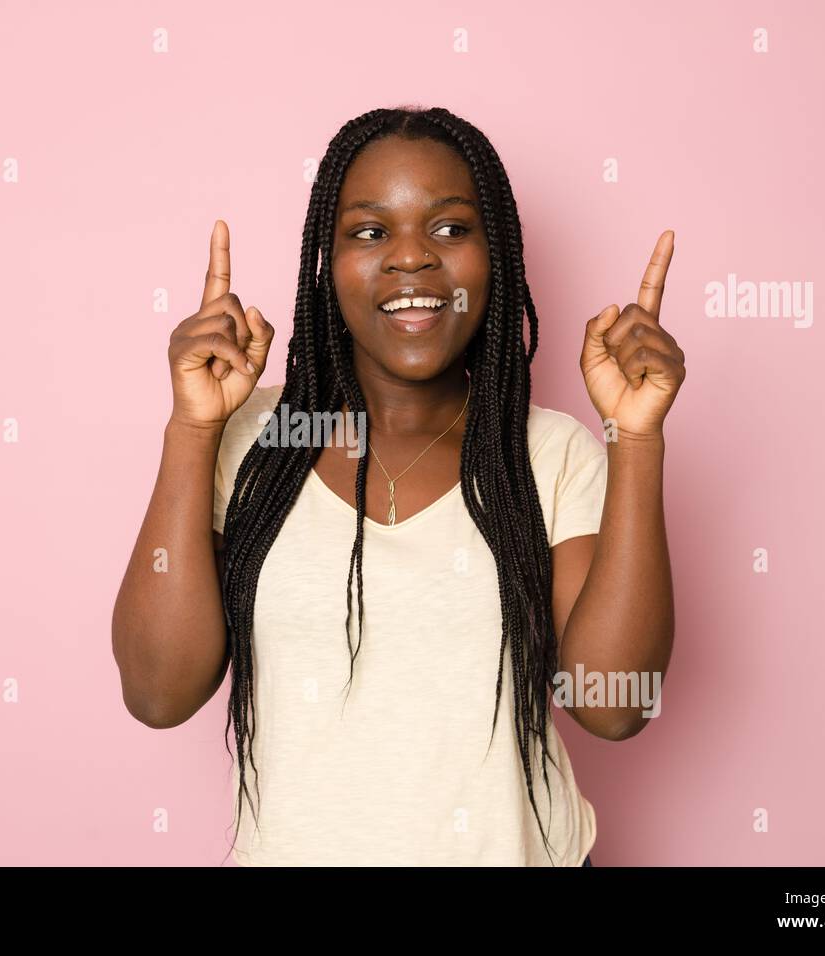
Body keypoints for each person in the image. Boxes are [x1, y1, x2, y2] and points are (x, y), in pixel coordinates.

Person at [112, 106, 685, 866]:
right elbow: (158, 695)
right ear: (328, 261)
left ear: (499, 258)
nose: (410, 259)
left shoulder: (551, 456)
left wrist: (638, 437)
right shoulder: (256, 445)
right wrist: (192, 430)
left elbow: (613, 708)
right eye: (371, 232)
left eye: (450, 229)